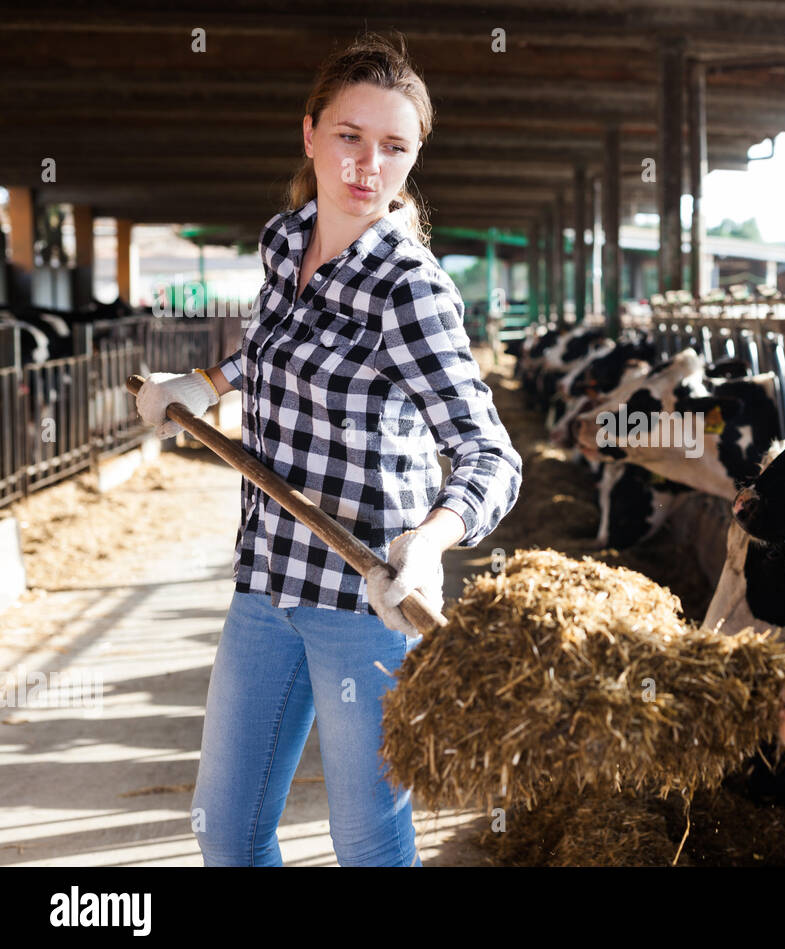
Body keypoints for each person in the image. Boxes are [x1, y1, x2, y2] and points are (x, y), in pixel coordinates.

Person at [134, 32, 522, 866]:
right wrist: (203, 384)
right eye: (350, 137)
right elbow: (271, 351)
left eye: (395, 148)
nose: (367, 166)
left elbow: (490, 455)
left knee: (367, 846)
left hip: (366, 599)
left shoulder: (409, 289)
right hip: (267, 576)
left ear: (413, 160)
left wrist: (428, 544)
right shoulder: (284, 241)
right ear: (310, 134)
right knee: (228, 833)